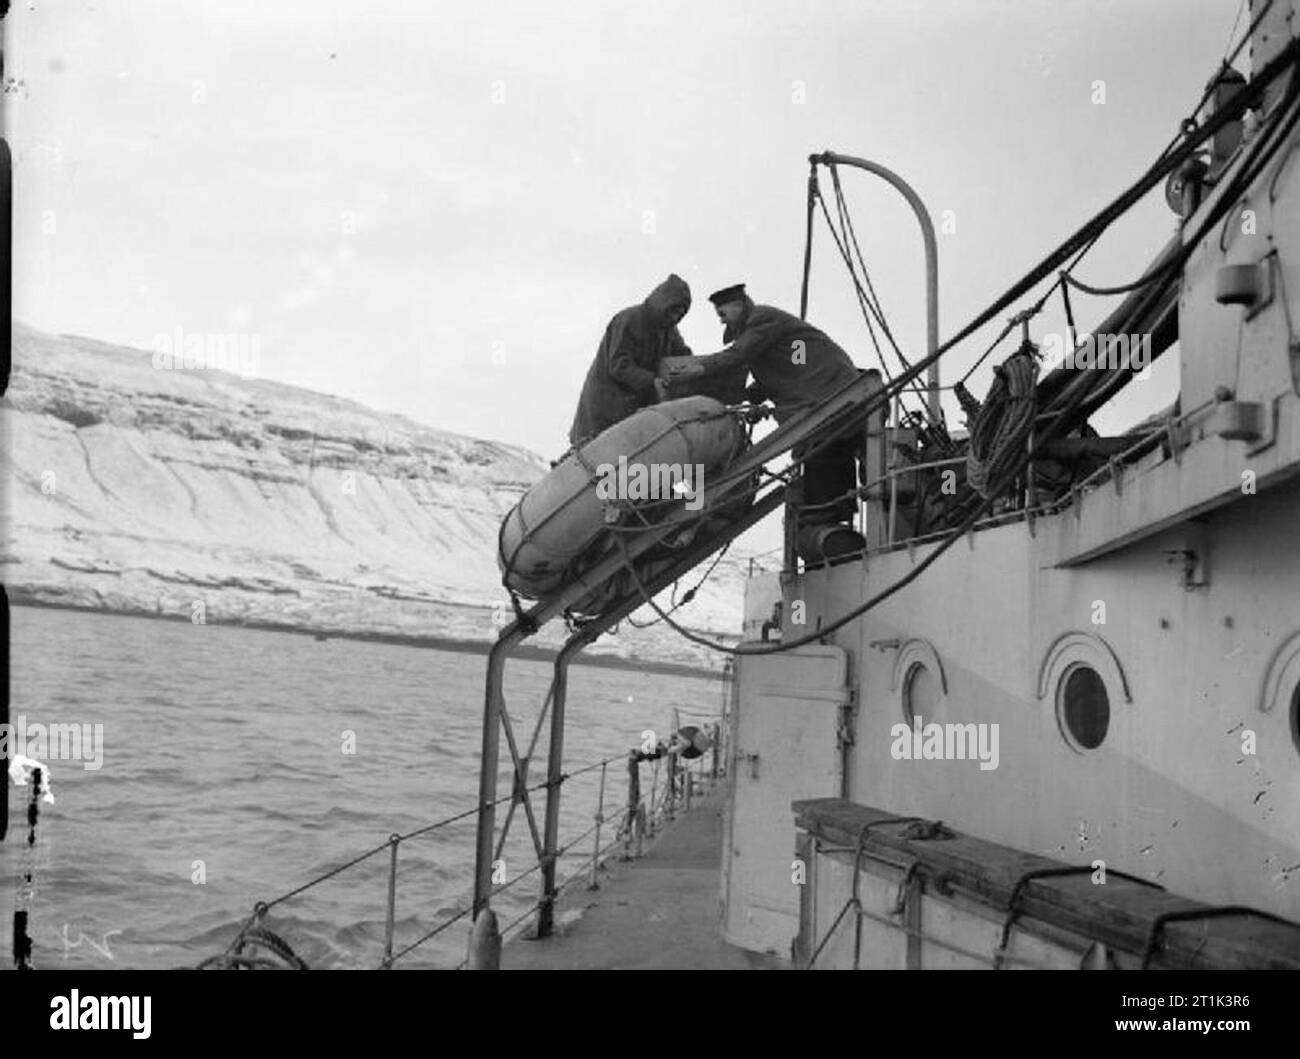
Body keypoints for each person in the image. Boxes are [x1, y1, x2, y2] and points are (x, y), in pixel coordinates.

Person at [664, 284, 861, 526]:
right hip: (821, 389)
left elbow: (738, 355)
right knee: (824, 447)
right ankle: (829, 508)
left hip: (827, 390)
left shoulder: (762, 320)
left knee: (821, 443)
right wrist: (753, 395)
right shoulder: (770, 332)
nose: (722, 322)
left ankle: (827, 507)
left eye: (723, 314)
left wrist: (699, 369)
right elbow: (788, 364)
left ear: (739, 305)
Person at [568, 274, 693, 447]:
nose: (674, 317)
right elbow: (619, 365)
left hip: (632, 409)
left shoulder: (668, 331)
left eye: (680, 313)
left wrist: (691, 370)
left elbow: (682, 355)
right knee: (596, 453)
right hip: (607, 405)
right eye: (672, 310)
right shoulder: (628, 320)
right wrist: (652, 381)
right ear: (662, 303)